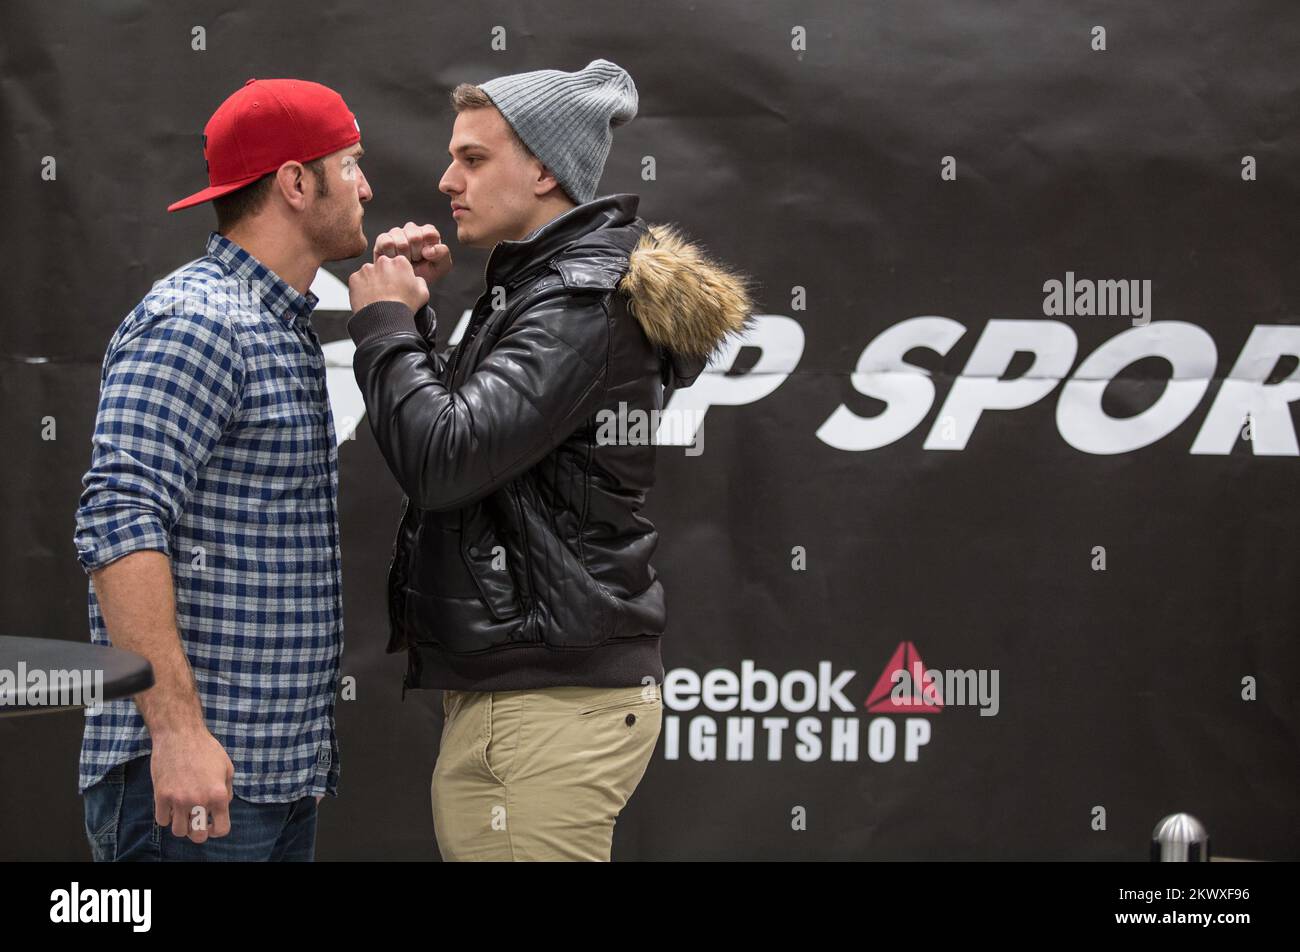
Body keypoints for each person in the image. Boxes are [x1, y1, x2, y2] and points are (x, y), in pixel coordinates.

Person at [346, 59, 754, 860]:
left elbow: (443, 459)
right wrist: (419, 327)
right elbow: (479, 452)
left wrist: (386, 324)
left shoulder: (580, 301)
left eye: (473, 158)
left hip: (549, 703)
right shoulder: (543, 291)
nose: (446, 179)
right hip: (528, 695)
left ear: (541, 168)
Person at [75, 77, 372, 861]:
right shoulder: (198, 320)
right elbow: (117, 520)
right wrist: (178, 735)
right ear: (296, 183)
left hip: (270, 776)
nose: (366, 185)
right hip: (189, 783)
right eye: (350, 165)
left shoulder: (278, 323)